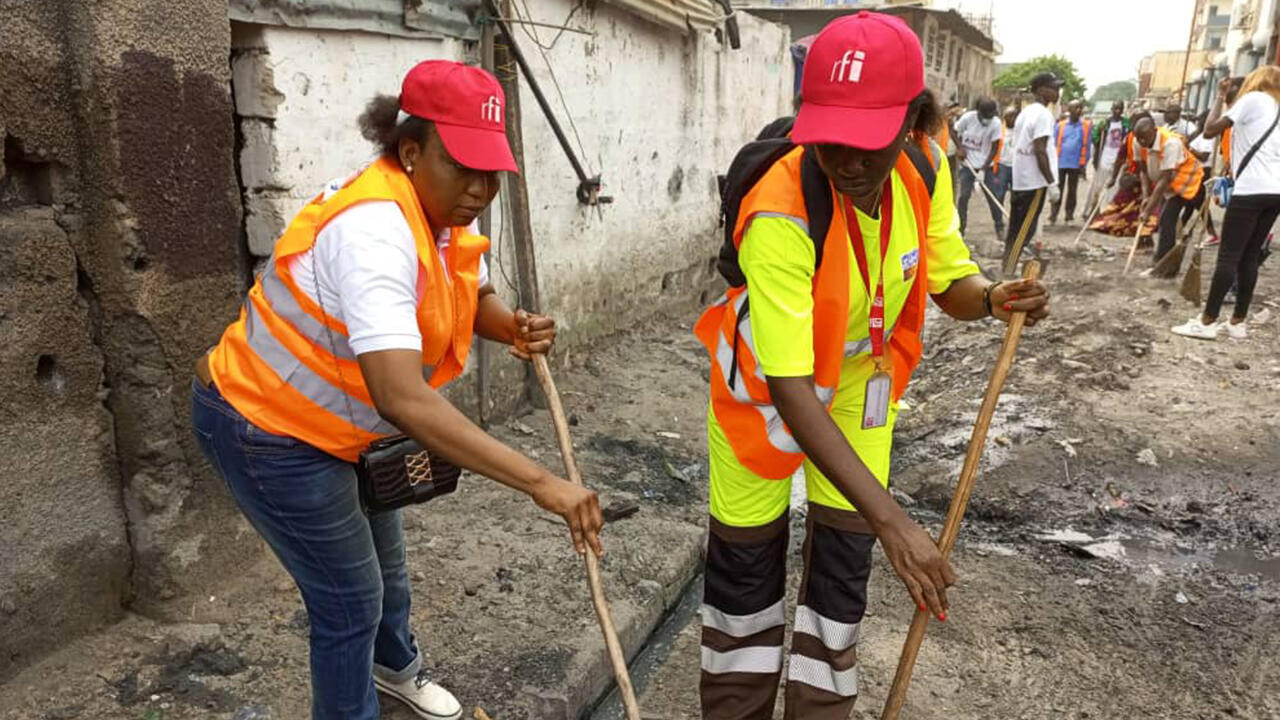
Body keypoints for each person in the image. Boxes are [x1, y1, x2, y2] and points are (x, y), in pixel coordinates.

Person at [191, 60, 604, 720]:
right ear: (410, 150)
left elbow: (468, 290)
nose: (479, 189)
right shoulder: (374, 231)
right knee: (349, 600)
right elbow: (402, 398)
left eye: (490, 172)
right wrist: (541, 483)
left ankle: (395, 673)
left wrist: (510, 327)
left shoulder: (446, 211)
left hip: (343, 429)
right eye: (461, 166)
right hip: (266, 428)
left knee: (388, 571)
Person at [693, 13, 1051, 718]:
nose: (846, 160)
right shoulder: (781, 213)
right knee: (744, 580)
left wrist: (992, 297)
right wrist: (896, 524)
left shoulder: (923, 171)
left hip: (862, 392)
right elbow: (791, 387)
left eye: (866, 141)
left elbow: (949, 279)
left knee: (840, 574)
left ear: (912, 122)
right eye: (828, 136)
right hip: (764, 403)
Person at [1173, 66, 1280, 340]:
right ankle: (1237, 323)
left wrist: (1219, 96)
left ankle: (1207, 322)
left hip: (1250, 190)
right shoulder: (1277, 108)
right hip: (1274, 192)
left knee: (1229, 256)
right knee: (1250, 256)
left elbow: (1209, 130)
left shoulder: (1253, 99)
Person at [1005, 72, 1062, 274]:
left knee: (1016, 227)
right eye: (1053, 88)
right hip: (1034, 181)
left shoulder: (1027, 112)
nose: (1057, 92)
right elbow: (1040, 150)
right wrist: (1051, 183)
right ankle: (1008, 270)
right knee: (1024, 230)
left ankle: (1007, 265)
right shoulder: (1043, 115)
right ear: (1041, 90)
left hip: (1022, 177)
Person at [1133, 117, 1205, 273]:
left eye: (1145, 138)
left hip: (1184, 182)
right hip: (1165, 184)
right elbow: (1143, 171)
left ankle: (1163, 264)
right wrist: (1146, 196)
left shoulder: (1171, 143)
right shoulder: (1137, 142)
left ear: (1154, 131)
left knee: (1166, 219)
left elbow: (1166, 179)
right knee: (1165, 220)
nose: (1142, 142)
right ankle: (1162, 259)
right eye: (1139, 138)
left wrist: (1148, 210)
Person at [1091, 110, 1159, 238]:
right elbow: (1120, 159)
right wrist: (1113, 178)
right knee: (1125, 208)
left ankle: (1145, 237)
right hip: (1134, 178)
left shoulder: (1159, 139)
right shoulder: (1130, 139)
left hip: (1154, 181)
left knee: (1151, 211)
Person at [953, 97, 1005, 236]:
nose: (988, 119)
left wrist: (983, 169)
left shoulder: (996, 123)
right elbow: (953, 131)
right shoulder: (968, 118)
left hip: (986, 166)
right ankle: (961, 229)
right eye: (985, 116)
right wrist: (960, 147)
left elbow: (994, 148)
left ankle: (999, 227)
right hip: (968, 165)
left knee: (993, 197)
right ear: (979, 113)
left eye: (990, 116)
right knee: (963, 197)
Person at [1049, 99, 1092, 225]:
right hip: (1060, 163)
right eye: (1075, 107)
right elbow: (1053, 144)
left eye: (1080, 108)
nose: (1078, 110)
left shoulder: (1086, 126)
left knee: (1072, 191)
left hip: (1075, 164)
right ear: (1069, 110)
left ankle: (1069, 216)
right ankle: (1053, 215)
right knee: (1058, 190)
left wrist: (1084, 163)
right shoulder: (1060, 125)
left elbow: (1087, 145)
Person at [1086, 101, 1130, 214]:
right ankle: (1093, 209)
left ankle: (1107, 210)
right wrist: (1096, 157)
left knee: (1114, 187)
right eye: (1115, 108)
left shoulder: (1126, 124)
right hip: (1104, 158)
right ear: (1112, 109)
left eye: (1120, 109)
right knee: (1098, 186)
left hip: (1119, 160)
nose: (1117, 111)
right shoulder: (1104, 123)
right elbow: (1095, 138)